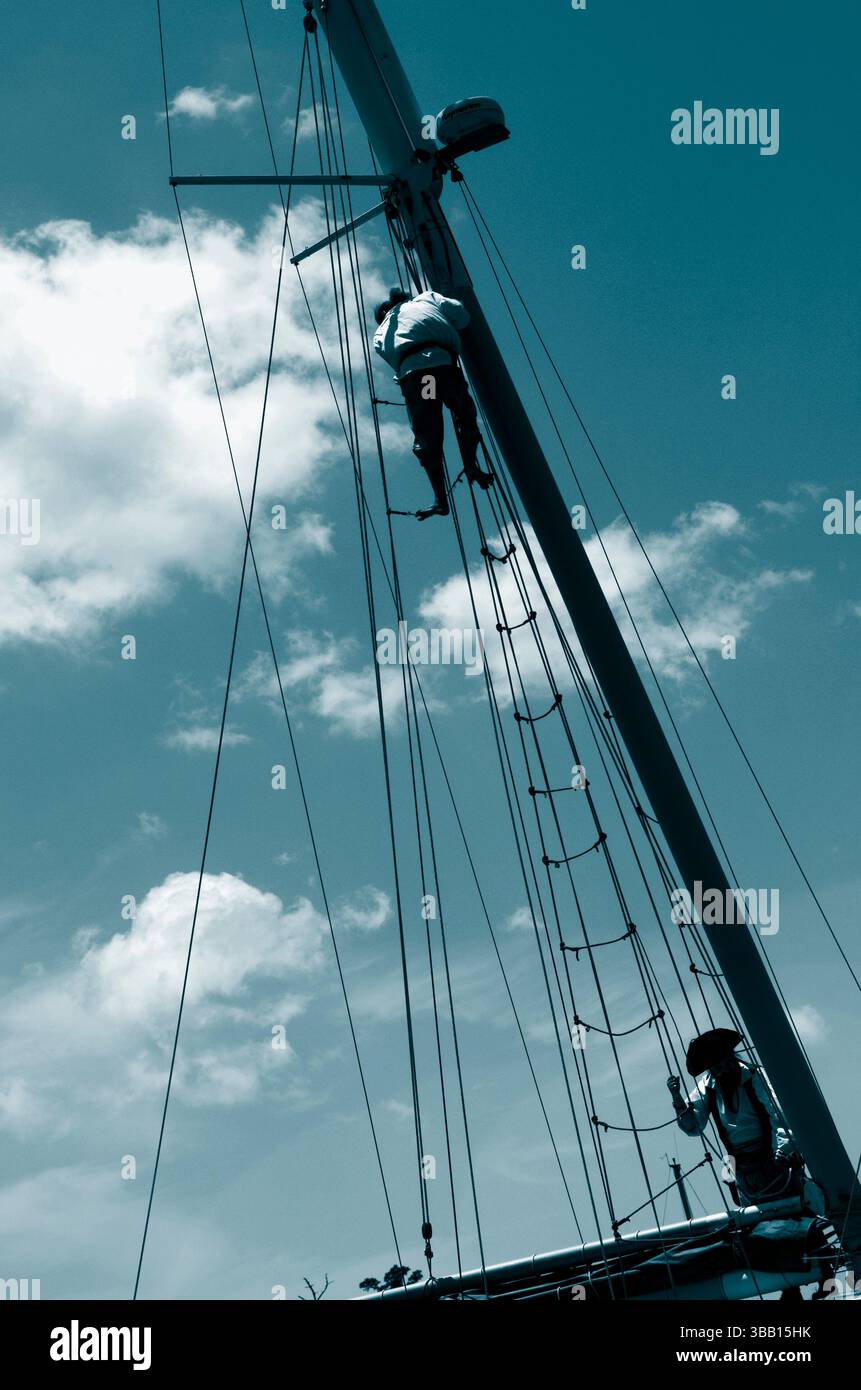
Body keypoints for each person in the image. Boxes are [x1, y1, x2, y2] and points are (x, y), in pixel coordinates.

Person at [668, 1028, 812, 1301]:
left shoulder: (754, 1076)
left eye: (724, 1060)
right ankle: (789, 1287)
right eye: (715, 1065)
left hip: (772, 1155)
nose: (722, 1068)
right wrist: (677, 1098)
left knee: (795, 1212)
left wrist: (784, 1149)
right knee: (758, 1223)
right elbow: (693, 1126)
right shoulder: (706, 1087)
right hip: (738, 1163)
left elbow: (778, 1113)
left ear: (731, 1056)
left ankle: (821, 1268)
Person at [373, 287, 493, 520]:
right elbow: (459, 312)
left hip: (421, 378)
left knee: (429, 433)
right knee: (463, 416)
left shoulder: (381, 333)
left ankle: (440, 499)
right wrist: (451, 327)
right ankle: (471, 465)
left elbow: (392, 361)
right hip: (444, 367)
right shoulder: (426, 298)